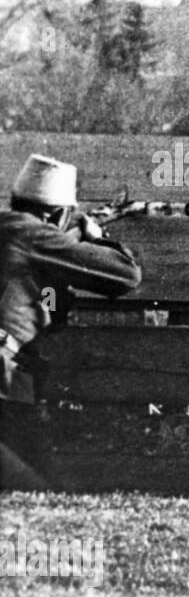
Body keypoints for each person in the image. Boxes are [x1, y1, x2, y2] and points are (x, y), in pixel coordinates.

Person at [1, 154, 142, 489]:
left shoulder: (10, 230)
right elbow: (126, 275)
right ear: (58, 213)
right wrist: (94, 236)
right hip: (4, 383)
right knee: (39, 488)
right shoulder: (34, 235)